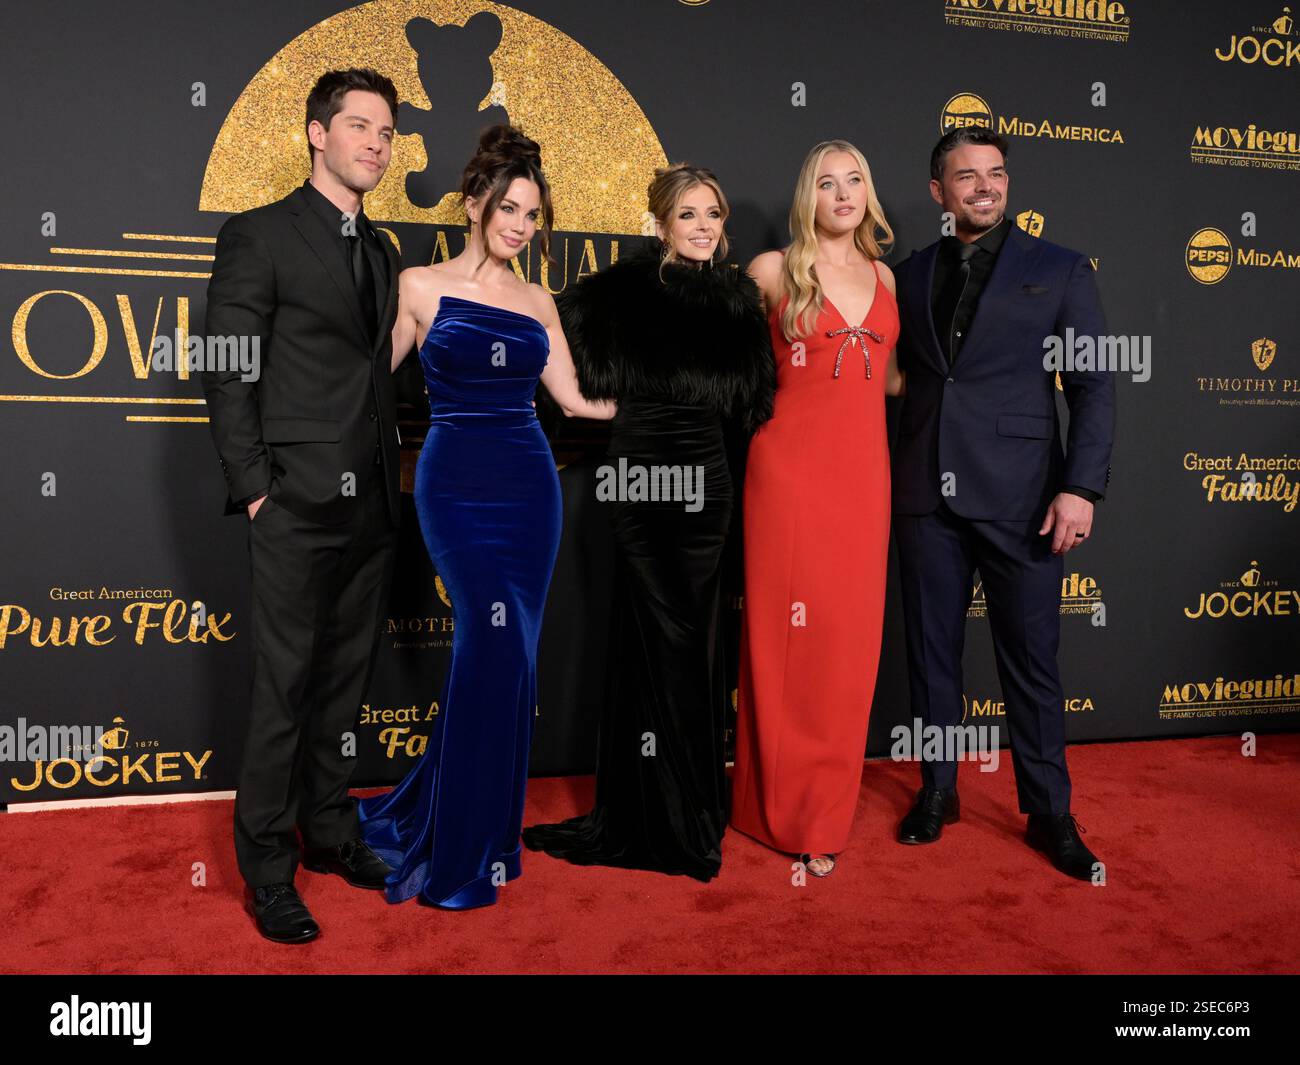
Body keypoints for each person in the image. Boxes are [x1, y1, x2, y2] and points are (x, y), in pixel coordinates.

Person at [357, 124, 615, 910]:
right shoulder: (419, 286)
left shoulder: (538, 301)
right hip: (455, 483)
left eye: (532, 215)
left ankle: (482, 831)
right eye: (509, 208)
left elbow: (578, 401)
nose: (520, 225)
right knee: (489, 644)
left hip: (530, 487)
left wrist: (675, 398)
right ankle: (461, 839)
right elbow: (367, 382)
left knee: (514, 659)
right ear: (473, 204)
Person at [522, 164, 775, 881]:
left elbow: (751, 407)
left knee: (694, 643)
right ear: (659, 224)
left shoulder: (738, 300)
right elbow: (555, 361)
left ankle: (688, 808)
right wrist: (618, 410)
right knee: (652, 637)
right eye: (687, 214)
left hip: (707, 491)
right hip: (638, 482)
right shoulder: (619, 293)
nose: (702, 227)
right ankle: (648, 814)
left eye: (712, 214)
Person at [200, 69, 403, 943]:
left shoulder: (383, 250)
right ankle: (268, 871)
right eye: (358, 126)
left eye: (386, 132)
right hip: (291, 501)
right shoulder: (260, 233)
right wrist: (254, 488)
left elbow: (371, 372)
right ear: (317, 133)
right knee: (282, 689)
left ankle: (329, 830)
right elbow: (229, 365)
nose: (375, 143)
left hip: (372, 502)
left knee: (344, 683)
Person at [891, 127, 1115, 880]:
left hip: (1024, 498)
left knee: (1031, 661)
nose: (984, 186)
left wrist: (1080, 487)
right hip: (925, 491)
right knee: (931, 656)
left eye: (995, 173)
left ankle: (1049, 811)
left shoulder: (1060, 268)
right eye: (967, 175)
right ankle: (937, 790)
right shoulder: (908, 274)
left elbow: (1094, 386)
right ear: (939, 191)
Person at [729, 140, 902, 879]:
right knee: (784, 644)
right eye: (827, 182)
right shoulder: (773, 271)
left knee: (845, 648)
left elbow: (889, 380)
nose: (843, 193)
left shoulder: (885, 276)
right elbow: (731, 372)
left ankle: (822, 813)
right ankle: (769, 807)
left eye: (854, 179)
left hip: (863, 480)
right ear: (809, 195)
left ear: (869, 191)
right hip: (788, 477)